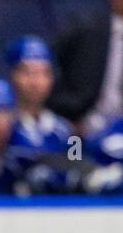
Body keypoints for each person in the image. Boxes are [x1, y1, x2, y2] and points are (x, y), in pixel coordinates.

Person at [49, 0, 123, 134]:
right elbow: (49, 64)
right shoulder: (85, 30)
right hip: (79, 126)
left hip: (121, 132)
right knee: (74, 156)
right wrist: (67, 115)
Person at [6, 35, 75, 194]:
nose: (35, 82)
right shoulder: (0, 128)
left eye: (43, 73)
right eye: (27, 73)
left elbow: (76, 165)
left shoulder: (65, 131)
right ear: (12, 75)